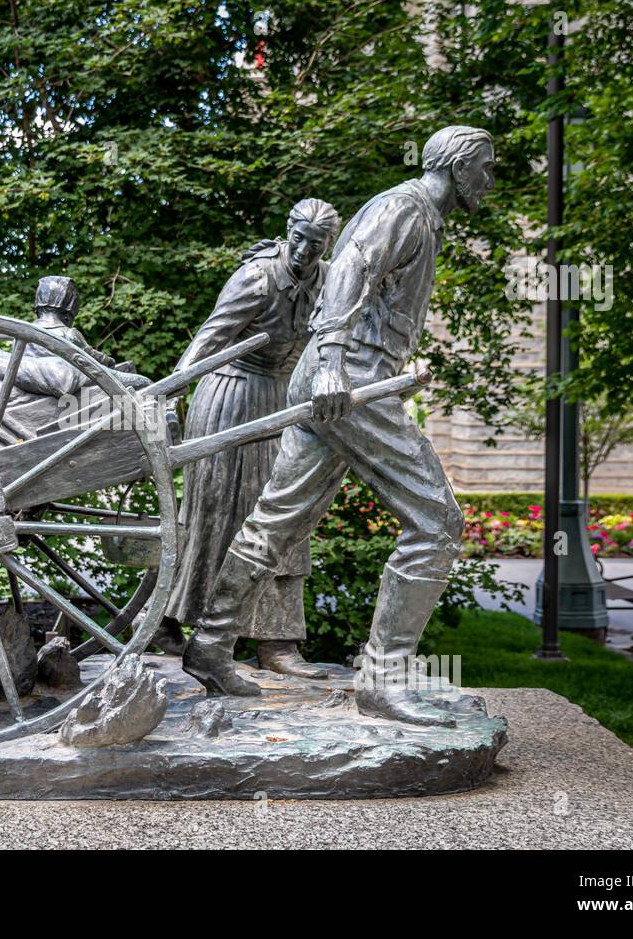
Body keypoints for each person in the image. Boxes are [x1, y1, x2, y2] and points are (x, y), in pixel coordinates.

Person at [182, 127, 495, 728]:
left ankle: (211, 644)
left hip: (340, 379)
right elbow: (350, 269)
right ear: (457, 167)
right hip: (349, 382)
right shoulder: (403, 208)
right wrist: (329, 361)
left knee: (275, 517)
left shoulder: (422, 217)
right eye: (484, 167)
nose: (490, 179)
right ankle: (382, 679)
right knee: (437, 521)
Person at [161, 199, 340, 675]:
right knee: (219, 512)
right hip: (232, 396)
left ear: (329, 246)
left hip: (284, 402)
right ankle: (177, 622)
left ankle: (277, 643)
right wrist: (170, 391)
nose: (304, 251)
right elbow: (211, 336)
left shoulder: (329, 280)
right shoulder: (258, 276)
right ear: (288, 232)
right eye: (298, 239)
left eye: (316, 245)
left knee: (286, 516)